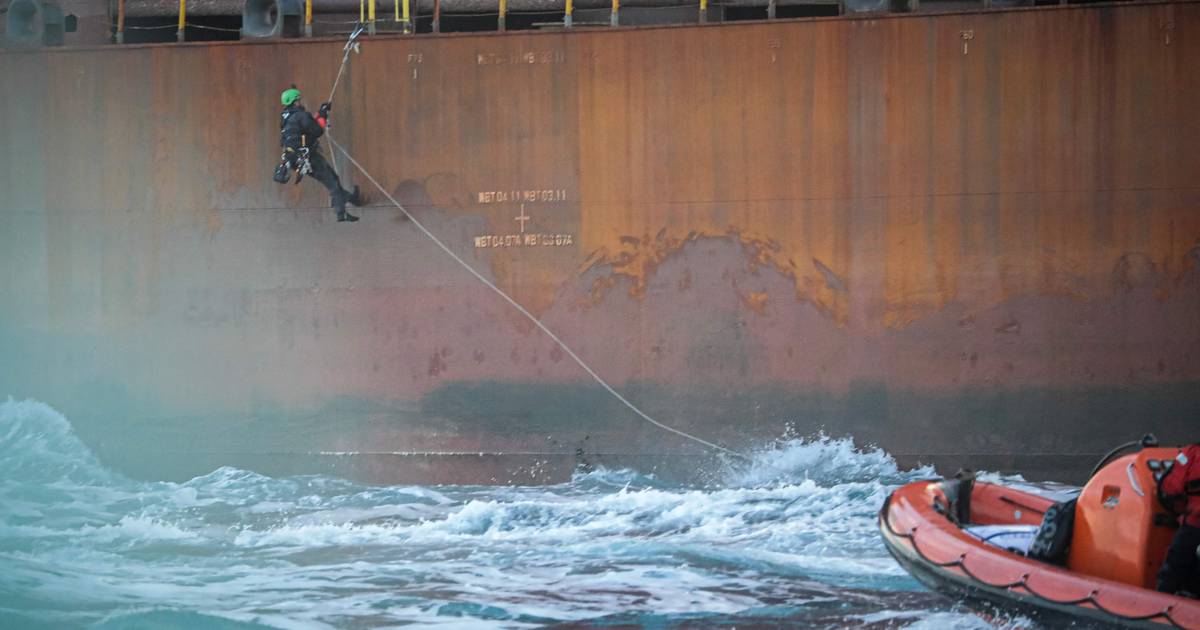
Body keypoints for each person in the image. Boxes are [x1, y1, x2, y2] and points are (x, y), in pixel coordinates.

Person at [278, 87, 364, 222]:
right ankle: (341, 212)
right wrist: (323, 114)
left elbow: (306, 124)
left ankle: (351, 199)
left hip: (294, 159)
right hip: (307, 158)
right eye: (298, 100)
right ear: (295, 102)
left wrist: (321, 112)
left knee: (330, 180)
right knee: (332, 181)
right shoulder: (300, 115)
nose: (300, 102)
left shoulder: (287, 117)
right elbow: (317, 130)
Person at [1158, 442, 1200, 597]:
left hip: (1195, 525)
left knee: (1172, 572)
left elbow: (1171, 486)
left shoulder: (1191, 454)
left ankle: (1162, 602)